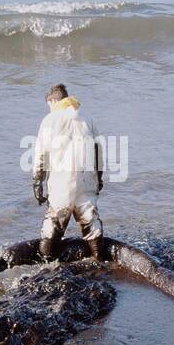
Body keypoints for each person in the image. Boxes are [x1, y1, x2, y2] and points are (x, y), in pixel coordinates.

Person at [32, 83, 105, 261]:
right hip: (86, 180)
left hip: (62, 182)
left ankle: (47, 267)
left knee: (52, 226)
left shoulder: (49, 120)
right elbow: (99, 150)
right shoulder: (87, 118)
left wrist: (37, 182)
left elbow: (40, 154)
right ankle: (99, 263)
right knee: (91, 223)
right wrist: (99, 176)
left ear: (53, 101)